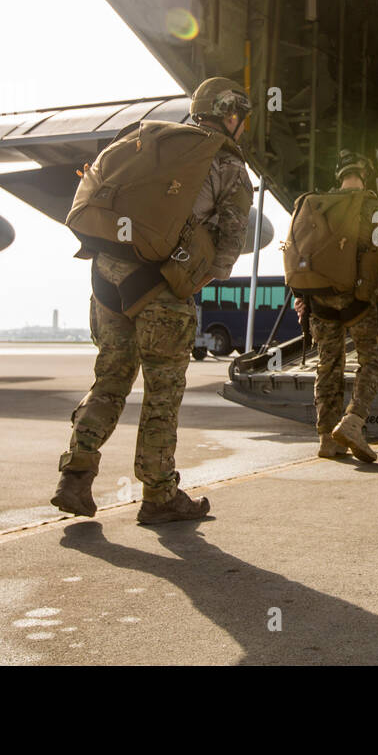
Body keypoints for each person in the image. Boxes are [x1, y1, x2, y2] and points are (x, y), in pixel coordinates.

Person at [53, 77, 253, 522]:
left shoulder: (148, 140)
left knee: (109, 379)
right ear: (233, 116)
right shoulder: (227, 164)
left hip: (104, 280)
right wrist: (200, 276)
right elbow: (232, 238)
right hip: (162, 289)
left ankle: (75, 476)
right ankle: (159, 495)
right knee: (162, 394)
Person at [293, 150, 378, 461]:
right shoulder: (374, 207)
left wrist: (302, 298)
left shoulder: (315, 204)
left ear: (340, 174)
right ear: (366, 174)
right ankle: (353, 422)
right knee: (373, 361)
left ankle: (325, 437)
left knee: (328, 365)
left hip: (320, 300)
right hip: (358, 302)